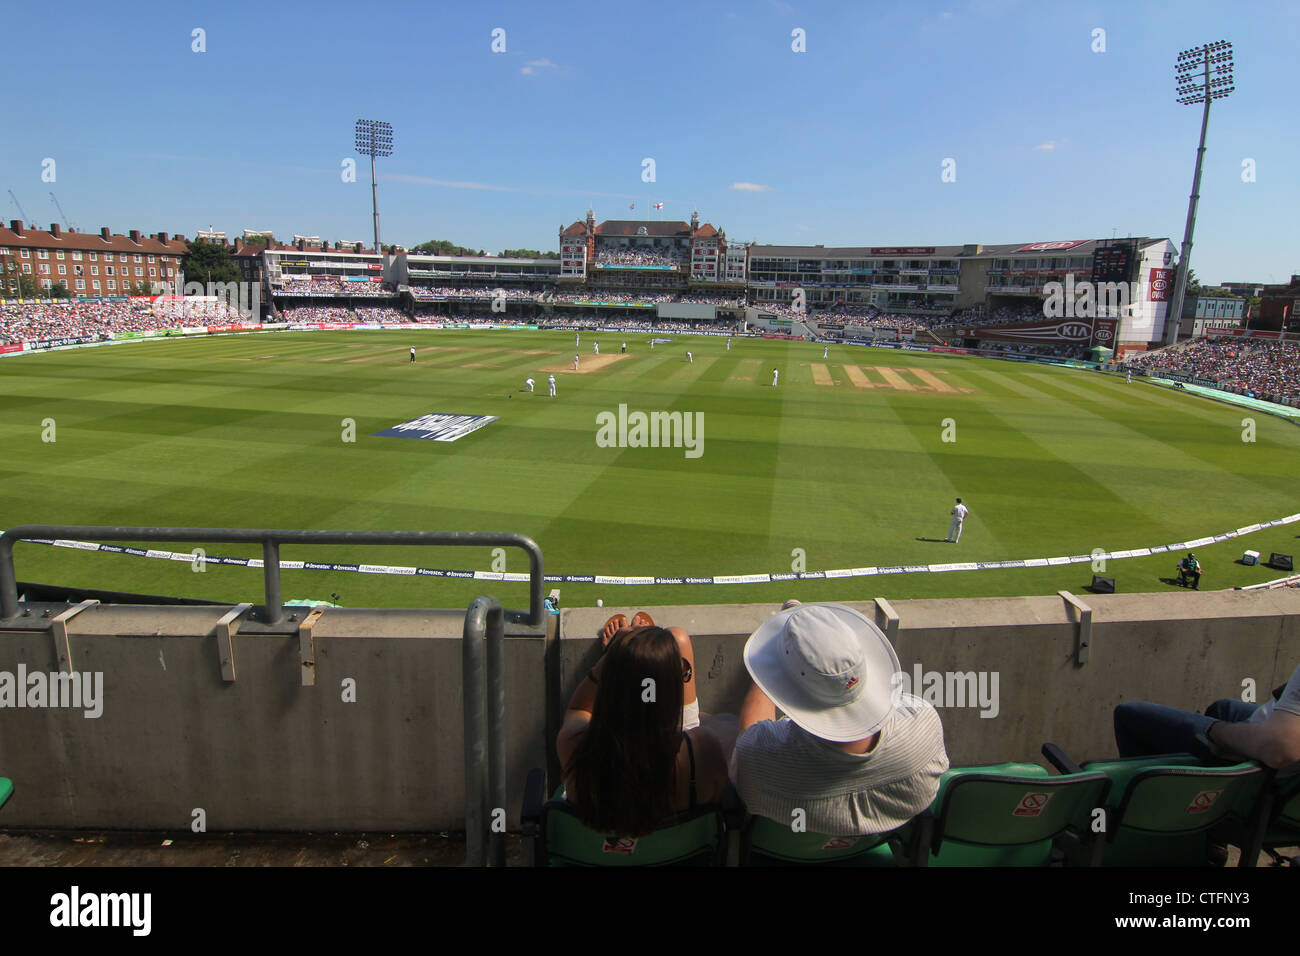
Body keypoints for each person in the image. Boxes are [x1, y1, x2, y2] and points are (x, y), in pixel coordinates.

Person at [729, 603, 948, 836]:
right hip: (874, 853)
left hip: (783, 852)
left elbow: (751, 736)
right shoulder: (924, 722)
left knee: (720, 723)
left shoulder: (758, 763)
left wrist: (776, 661)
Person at [556, 624, 732, 837]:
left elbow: (579, 708)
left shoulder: (573, 744)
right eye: (683, 672)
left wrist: (614, 656)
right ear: (670, 691)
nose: (684, 674)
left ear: (607, 682)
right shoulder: (703, 752)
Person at [1113, 663, 1300, 769]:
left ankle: (1155, 820)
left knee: (1129, 714)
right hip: (1278, 736)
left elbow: (1281, 751)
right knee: (1224, 708)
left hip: (1264, 762)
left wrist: (1216, 731)